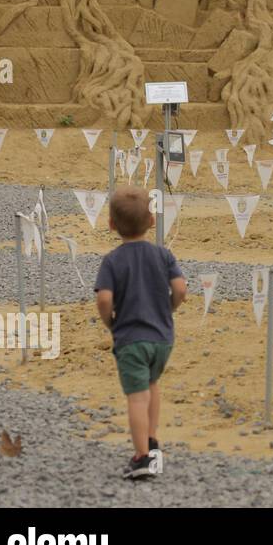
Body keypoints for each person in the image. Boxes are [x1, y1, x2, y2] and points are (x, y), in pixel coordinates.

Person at [94, 185, 187, 480]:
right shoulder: (164, 254)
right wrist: (168, 309)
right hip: (162, 338)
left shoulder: (112, 261)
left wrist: (110, 322)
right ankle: (152, 439)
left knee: (136, 397)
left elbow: (104, 299)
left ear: (111, 225)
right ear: (152, 221)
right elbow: (181, 289)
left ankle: (142, 457)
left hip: (131, 339)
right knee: (152, 384)